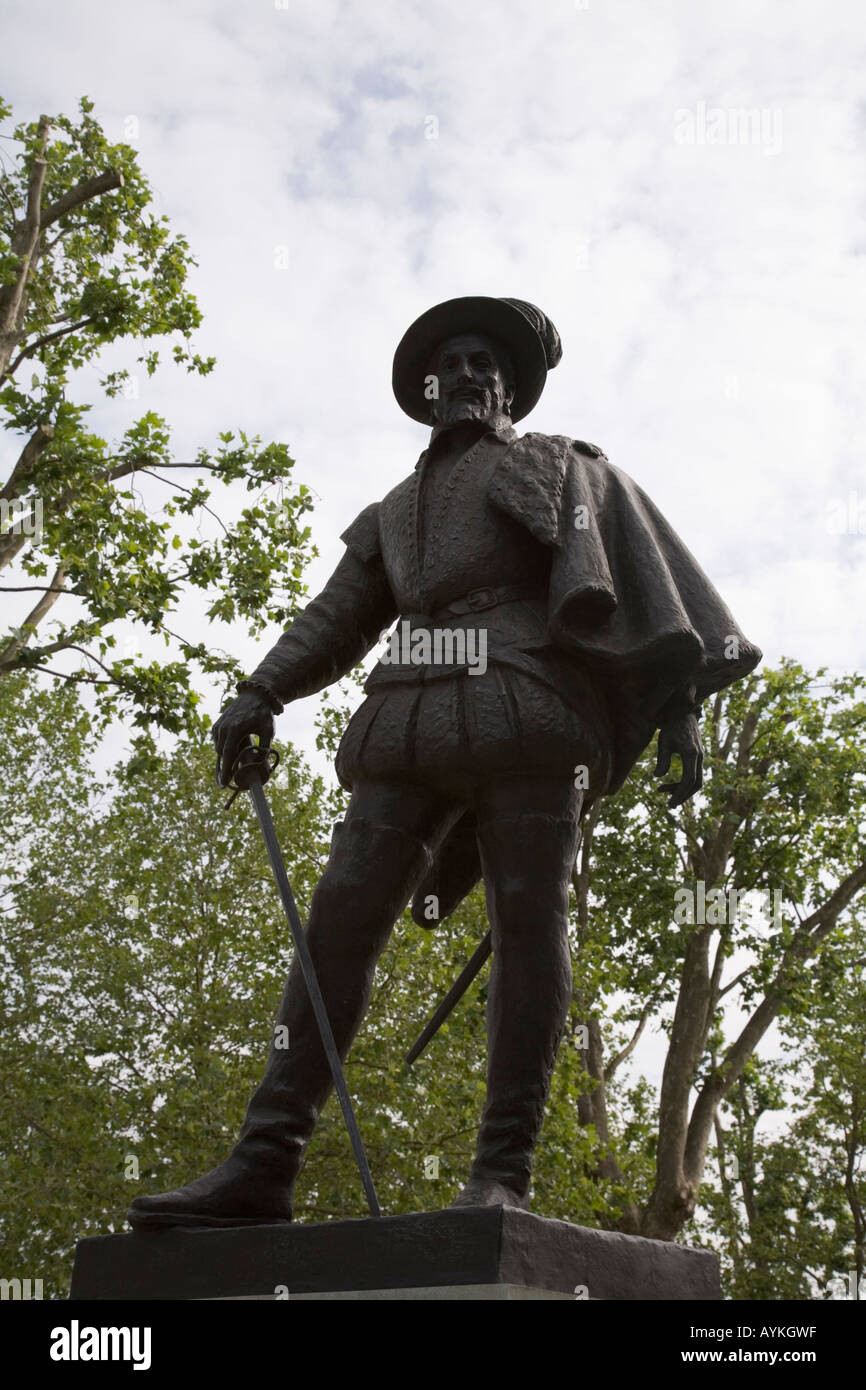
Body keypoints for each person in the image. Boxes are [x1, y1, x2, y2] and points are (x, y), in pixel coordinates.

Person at [128, 296, 760, 1228]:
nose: (465, 374)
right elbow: (335, 617)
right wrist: (260, 690)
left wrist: (676, 710)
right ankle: (264, 1164)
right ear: (426, 393)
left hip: (527, 713)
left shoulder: (557, 467)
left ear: (510, 388)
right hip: (407, 720)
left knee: (529, 925)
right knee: (336, 927)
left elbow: (641, 587)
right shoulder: (393, 511)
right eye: (450, 365)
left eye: (484, 364)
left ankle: (504, 1171)